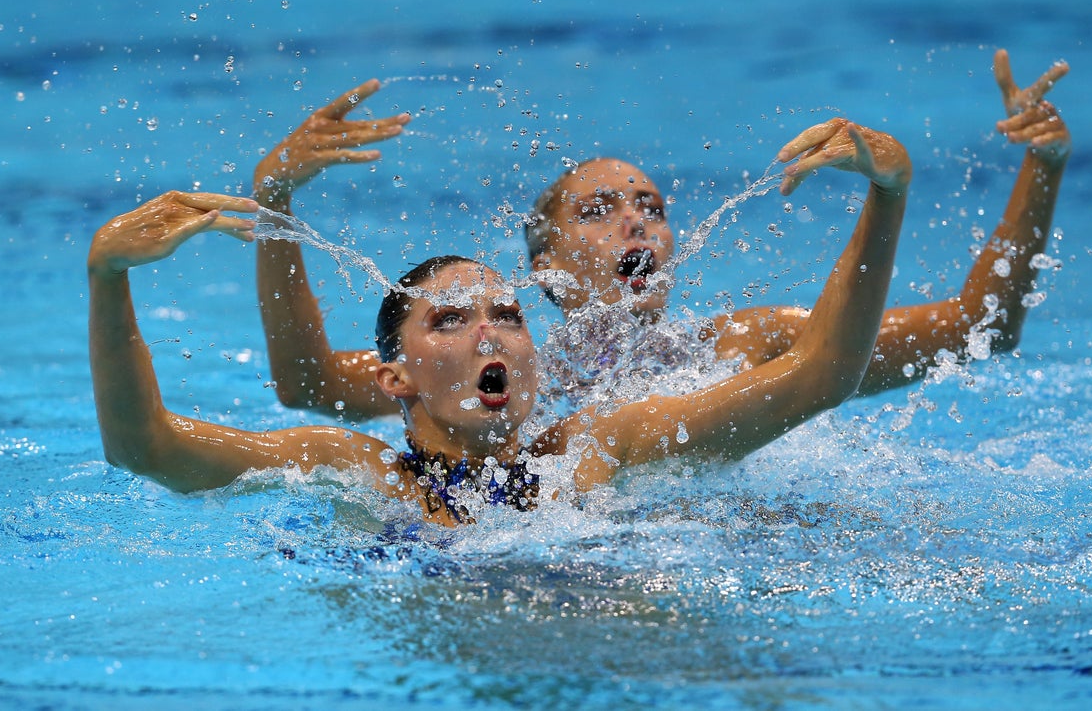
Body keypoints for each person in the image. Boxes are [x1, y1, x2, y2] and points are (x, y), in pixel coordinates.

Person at [88, 116, 912, 525]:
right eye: (448, 320)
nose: (490, 332)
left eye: (509, 314)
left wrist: (887, 195)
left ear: (535, 359)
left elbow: (820, 376)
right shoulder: (355, 471)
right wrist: (109, 279)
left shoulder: (597, 449)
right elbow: (143, 447)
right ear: (393, 377)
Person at [253, 50, 1069, 418]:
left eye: (650, 204)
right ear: (544, 268)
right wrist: (278, 204)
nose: (637, 218)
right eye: (597, 210)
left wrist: (1043, 169)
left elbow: (979, 330)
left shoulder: (746, 346)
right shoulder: (492, 367)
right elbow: (306, 383)